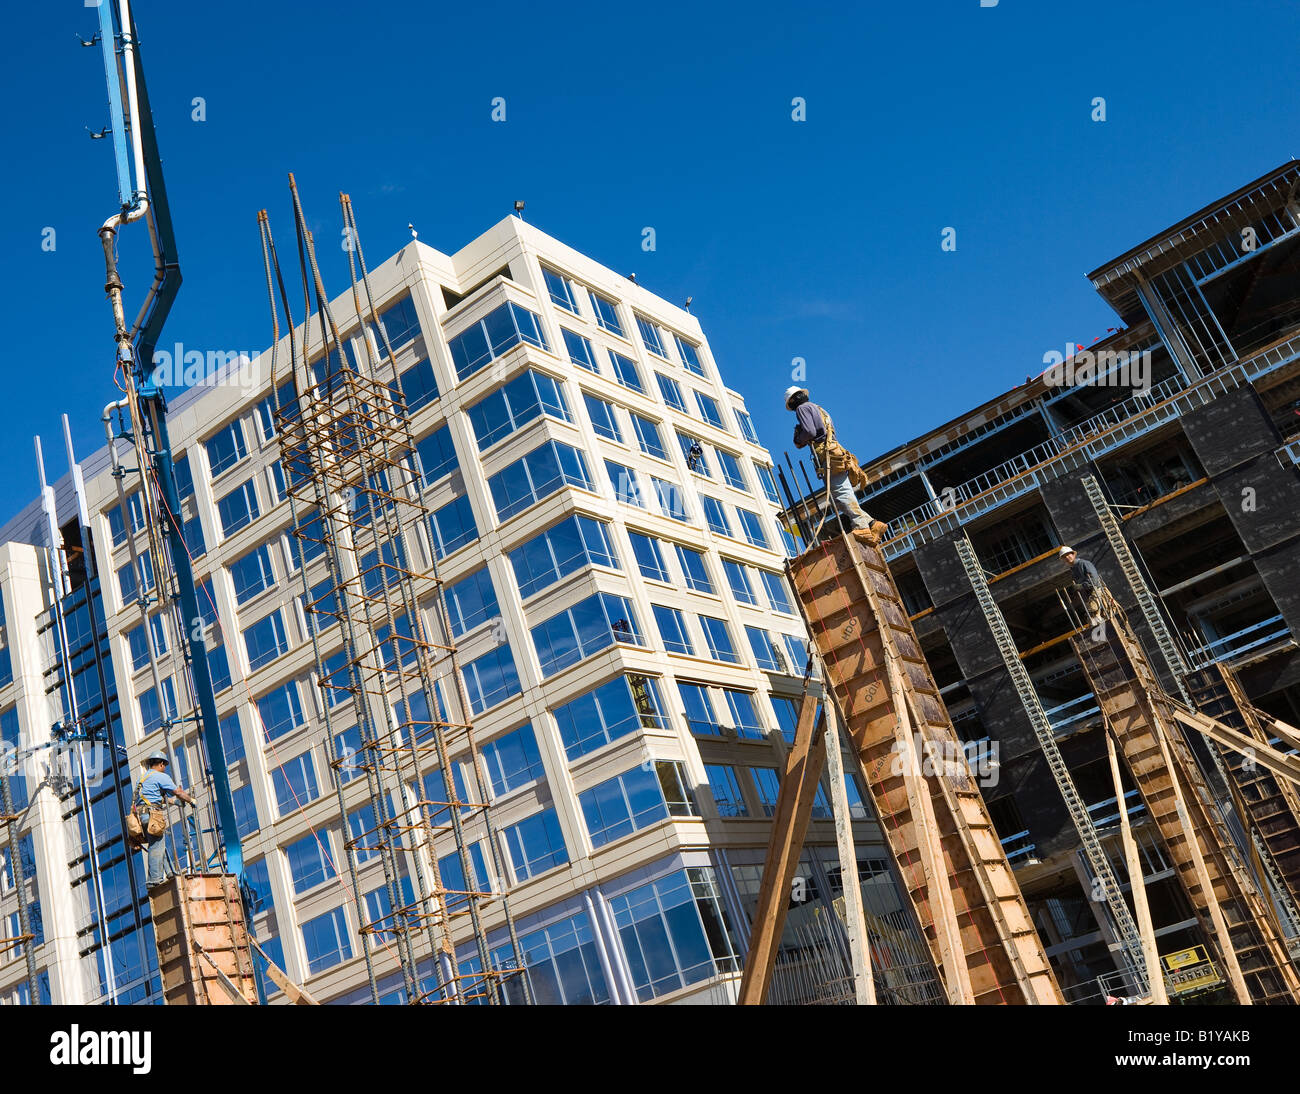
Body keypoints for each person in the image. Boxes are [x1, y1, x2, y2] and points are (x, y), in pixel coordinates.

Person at [786, 386, 888, 545]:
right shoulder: (819, 409)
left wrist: (799, 438)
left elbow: (810, 431)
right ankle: (872, 524)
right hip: (835, 452)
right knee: (842, 494)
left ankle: (862, 525)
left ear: (793, 401)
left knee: (840, 493)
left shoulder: (802, 408)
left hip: (827, 454)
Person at [134, 750, 196, 888]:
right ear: (161, 764)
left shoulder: (142, 779)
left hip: (142, 816)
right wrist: (190, 800)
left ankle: (170, 873)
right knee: (156, 846)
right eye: (164, 765)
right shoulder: (161, 776)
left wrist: (174, 802)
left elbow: (152, 798)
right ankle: (154, 880)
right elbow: (178, 791)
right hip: (152, 815)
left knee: (159, 843)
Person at [1059, 545, 1106, 616]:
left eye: (1068, 555)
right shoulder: (1073, 569)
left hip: (1096, 591)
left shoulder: (1084, 563)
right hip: (1087, 596)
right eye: (1064, 557)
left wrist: (1081, 586)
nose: (1067, 558)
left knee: (1093, 609)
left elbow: (1094, 580)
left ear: (1073, 554)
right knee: (1090, 615)